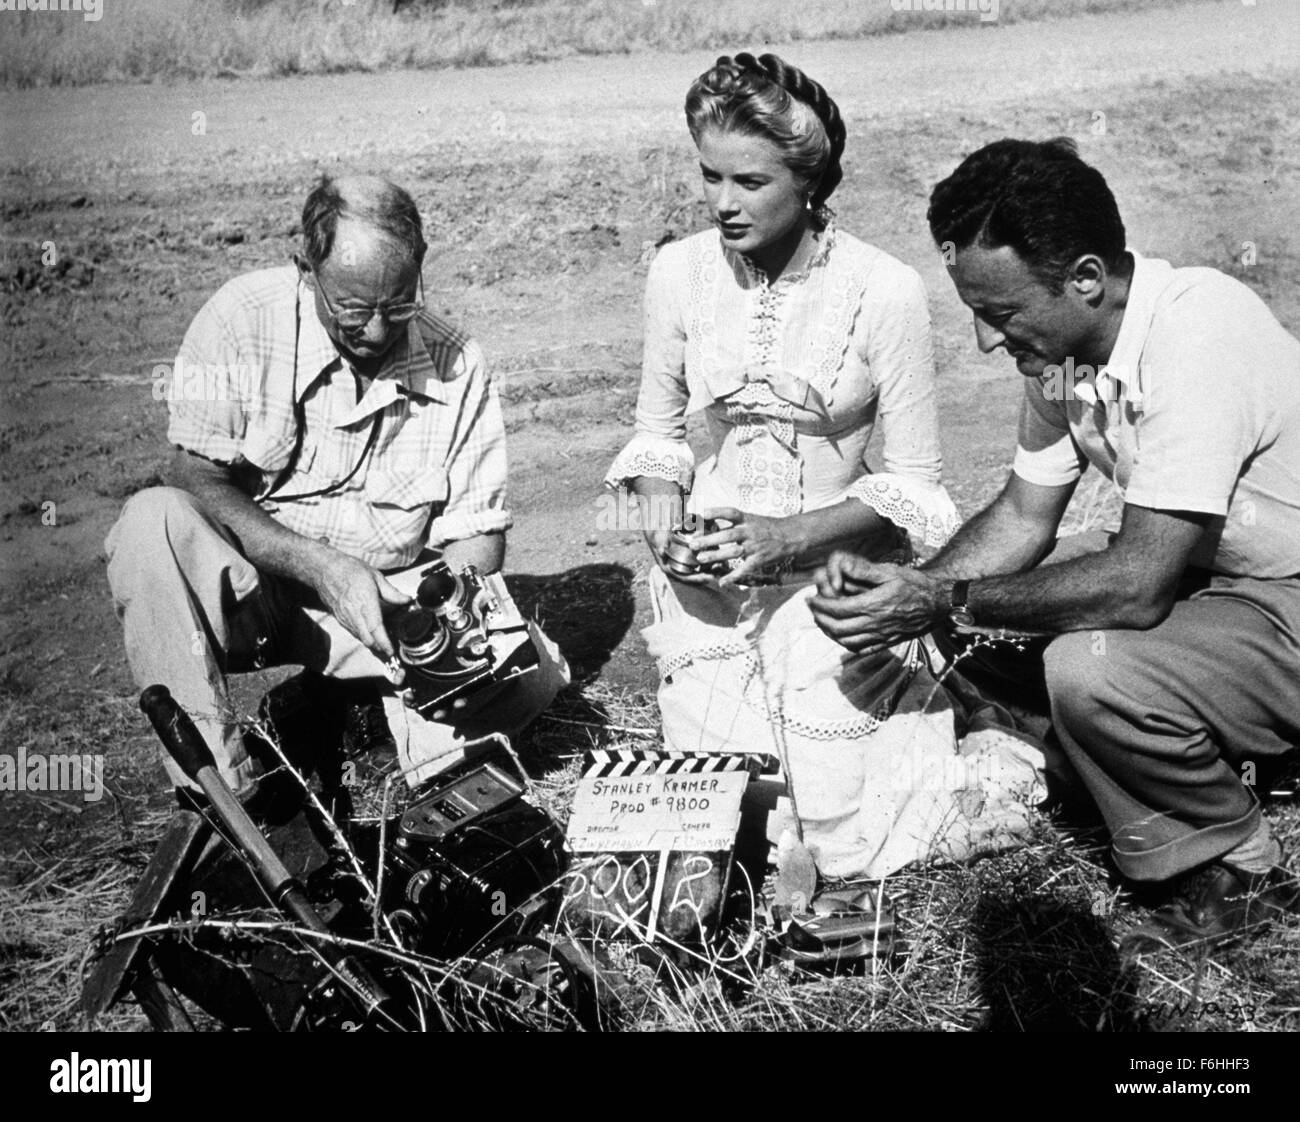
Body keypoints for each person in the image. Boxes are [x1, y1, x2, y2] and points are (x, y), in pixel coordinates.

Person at [810, 137, 1300, 944]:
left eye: (1001, 315)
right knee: (969, 634)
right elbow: (1022, 520)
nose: (987, 342)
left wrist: (945, 599)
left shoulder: (1197, 334)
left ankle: (1236, 871)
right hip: (1215, 578)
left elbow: (1139, 582)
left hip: (1280, 595)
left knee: (1088, 668)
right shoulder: (1064, 352)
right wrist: (918, 599)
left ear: (1085, 278)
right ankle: (1129, 760)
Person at [605, 53, 1044, 881]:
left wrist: (789, 538)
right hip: (710, 581)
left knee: (838, 833)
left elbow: (916, 490)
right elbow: (656, 437)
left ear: (809, 181)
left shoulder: (885, 290)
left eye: (750, 181)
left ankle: (975, 743)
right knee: (724, 809)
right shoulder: (678, 273)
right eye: (710, 175)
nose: (723, 202)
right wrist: (665, 529)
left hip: (836, 581)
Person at [106, 173, 568, 797]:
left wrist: (443, 625)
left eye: (398, 303)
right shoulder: (239, 321)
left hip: (387, 618)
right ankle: (221, 795)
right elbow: (196, 479)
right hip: (257, 597)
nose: (377, 331)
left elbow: (476, 544)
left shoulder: (460, 364)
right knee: (151, 523)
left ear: (420, 266)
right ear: (305, 268)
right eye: (352, 309)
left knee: (529, 683)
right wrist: (325, 570)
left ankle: (348, 709)